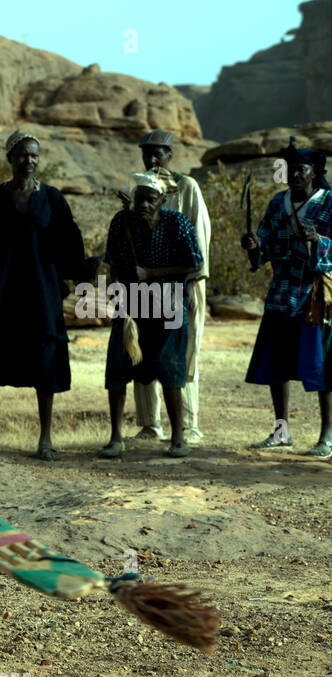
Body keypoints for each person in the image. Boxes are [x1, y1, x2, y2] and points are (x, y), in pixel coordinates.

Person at [0, 130, 99, 460]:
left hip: (40, 298)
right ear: (10, 158)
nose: (29, 160)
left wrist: (79, 274)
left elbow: (70, 244)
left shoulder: (53, 199)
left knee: (43, 367)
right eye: (22, 154)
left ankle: (45, 440)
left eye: (34, 155)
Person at [99, 173, 203, 458]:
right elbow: (114, 263)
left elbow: (194, 264)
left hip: (168, 303)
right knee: (119, 366)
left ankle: (178, 437)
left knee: (169, 368)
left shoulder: (177, 223)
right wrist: (118, 291)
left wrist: (153, 274)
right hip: (131, 305)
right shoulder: (122, 222)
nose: (143, 204)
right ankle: (116, 437)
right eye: (139, 198)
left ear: (162, 200)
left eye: (149, 199)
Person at [242, 138, 332, 457]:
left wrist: (318, 240)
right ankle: (282, 432)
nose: (294, 175)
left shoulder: (329, 203)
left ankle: (327, 438)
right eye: (291, 170)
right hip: (282, 292)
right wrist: (255, 246)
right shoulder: (278, 203)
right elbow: (265, 242)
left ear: (315, 173)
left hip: (317, 297)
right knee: (277, 365)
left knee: (323, 367)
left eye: (301, 169)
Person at [125, 130, 212, 445]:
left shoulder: (186, 187)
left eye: (158, 153)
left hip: (183, 284)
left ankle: (188, 425)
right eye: (146, 153)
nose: (151, 159)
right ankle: (150, 424)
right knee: (141, 348)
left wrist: (191, 285)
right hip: (145, 287)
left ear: (170, 154)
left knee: (183, 352)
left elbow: (199, 240)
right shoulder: (138, 188)